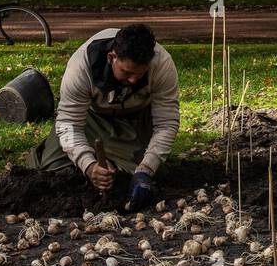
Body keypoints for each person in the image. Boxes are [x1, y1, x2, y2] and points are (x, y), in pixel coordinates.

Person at [26, 23, 179, 210]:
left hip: (138, 119)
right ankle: (101, 163)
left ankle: (122, 163)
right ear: (111, 57)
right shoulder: (80, 67)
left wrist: (145, 170)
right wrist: (89, 165)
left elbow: (166, 123)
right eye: (127, 72)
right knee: (51, 165)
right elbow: (69, 123)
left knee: (153, 173)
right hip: (92, 119)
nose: (133, 80)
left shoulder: (162, 64)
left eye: (140, 74)